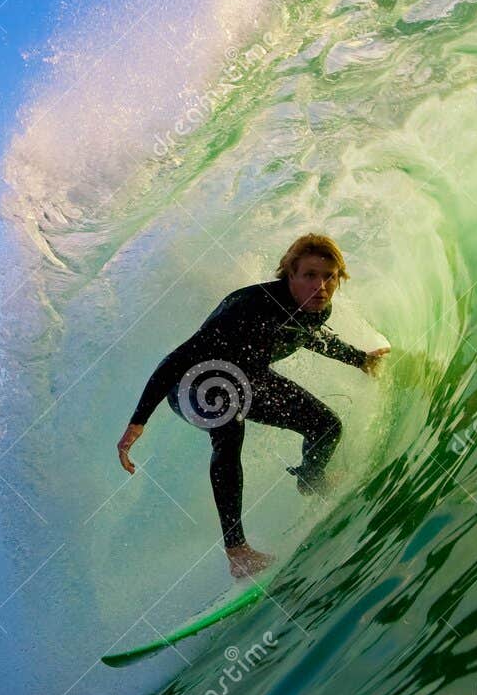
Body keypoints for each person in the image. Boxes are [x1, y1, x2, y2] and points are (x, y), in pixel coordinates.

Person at [117, 234, 388, 580]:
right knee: (229, 430)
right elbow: (176, 359)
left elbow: (310, 337)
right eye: (310, 275)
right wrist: (137, 423)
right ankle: (237, 552)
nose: (321, 285)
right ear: (289, 274)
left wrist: (361, 360)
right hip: (193, 382)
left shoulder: (317, 307)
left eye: (330, 276)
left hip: (247, 377)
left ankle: (311, 478)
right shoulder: (249, 306)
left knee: (326, 426)